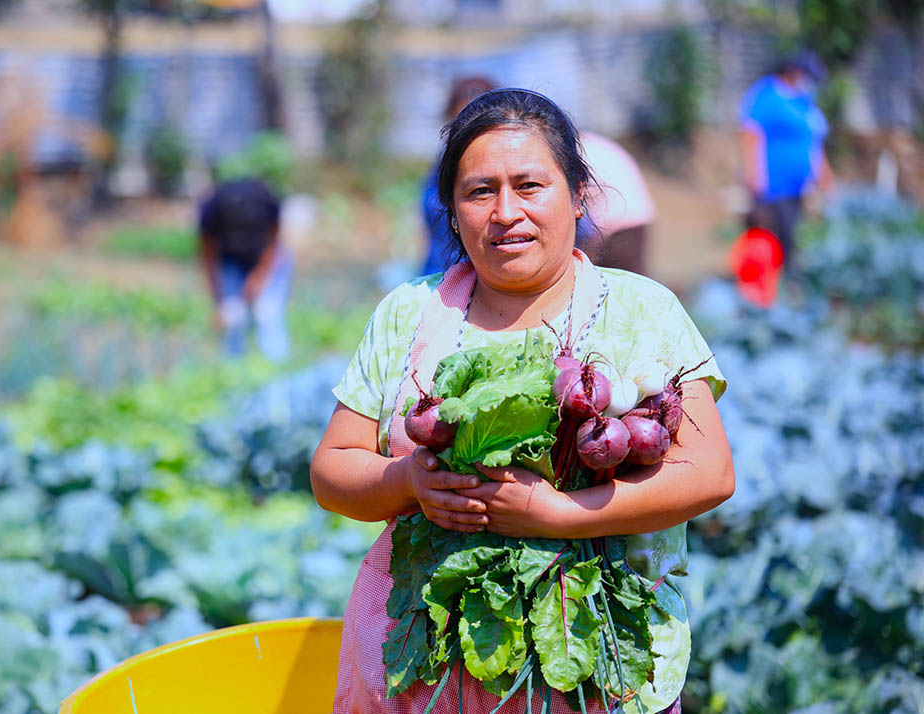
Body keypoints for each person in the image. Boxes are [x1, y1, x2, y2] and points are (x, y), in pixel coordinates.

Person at [310, 88, 735, 713]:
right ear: (453, 213)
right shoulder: (408, 312)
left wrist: (563, 516)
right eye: (480, 191)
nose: (506, 212)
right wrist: (408, 481)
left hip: (602, 665)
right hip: (419, 667)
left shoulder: (643, 310)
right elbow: (332, 468)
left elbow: (710, 473)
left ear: (578, 193)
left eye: (530, 186)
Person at [739, 51, 835, 267]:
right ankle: (767, 290)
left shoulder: (804, 101)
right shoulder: (768, 94)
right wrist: (753, 172)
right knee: (773, 240)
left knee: (792, 239)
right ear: (793, 71)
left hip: (798, 187)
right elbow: (751, 133)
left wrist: (825, 174)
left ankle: (787, 286)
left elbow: (813, 142)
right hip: (773, 186)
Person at [198, 177, 292, 361]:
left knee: (267, 313)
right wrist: (219, 301)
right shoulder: (212, 211)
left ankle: (276, 367)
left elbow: (274, 245)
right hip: (230, 261)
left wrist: (259, 277)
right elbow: (208, 256)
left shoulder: (265, 204)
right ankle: (234, 373)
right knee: (231, 316)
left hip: (268, 258)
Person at [422, 76, 499, 275]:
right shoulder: (441, 167)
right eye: (460, 126)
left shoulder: (508, 170)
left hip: (482, 278)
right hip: (437, 273)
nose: (467, 137)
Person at [576, 130, 657, 275]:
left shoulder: (579, 152)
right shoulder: (597, 144)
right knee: (631, 279)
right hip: (636, 216)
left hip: (618, 223)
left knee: (621, 284)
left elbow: (582, 197)